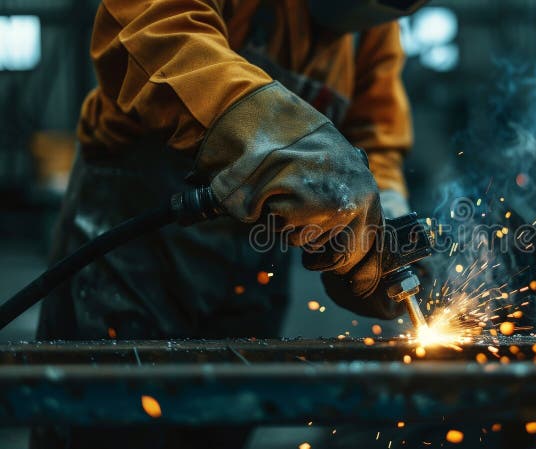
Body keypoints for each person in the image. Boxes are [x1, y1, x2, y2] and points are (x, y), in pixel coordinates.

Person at [32, 1, 426, 447]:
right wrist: (272, 136)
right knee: (107, 423)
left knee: (219, 425)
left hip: (256, 257)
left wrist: (385, 216)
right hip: (137, 237)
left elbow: (375, 132)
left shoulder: (375, 29)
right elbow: (157, 31)